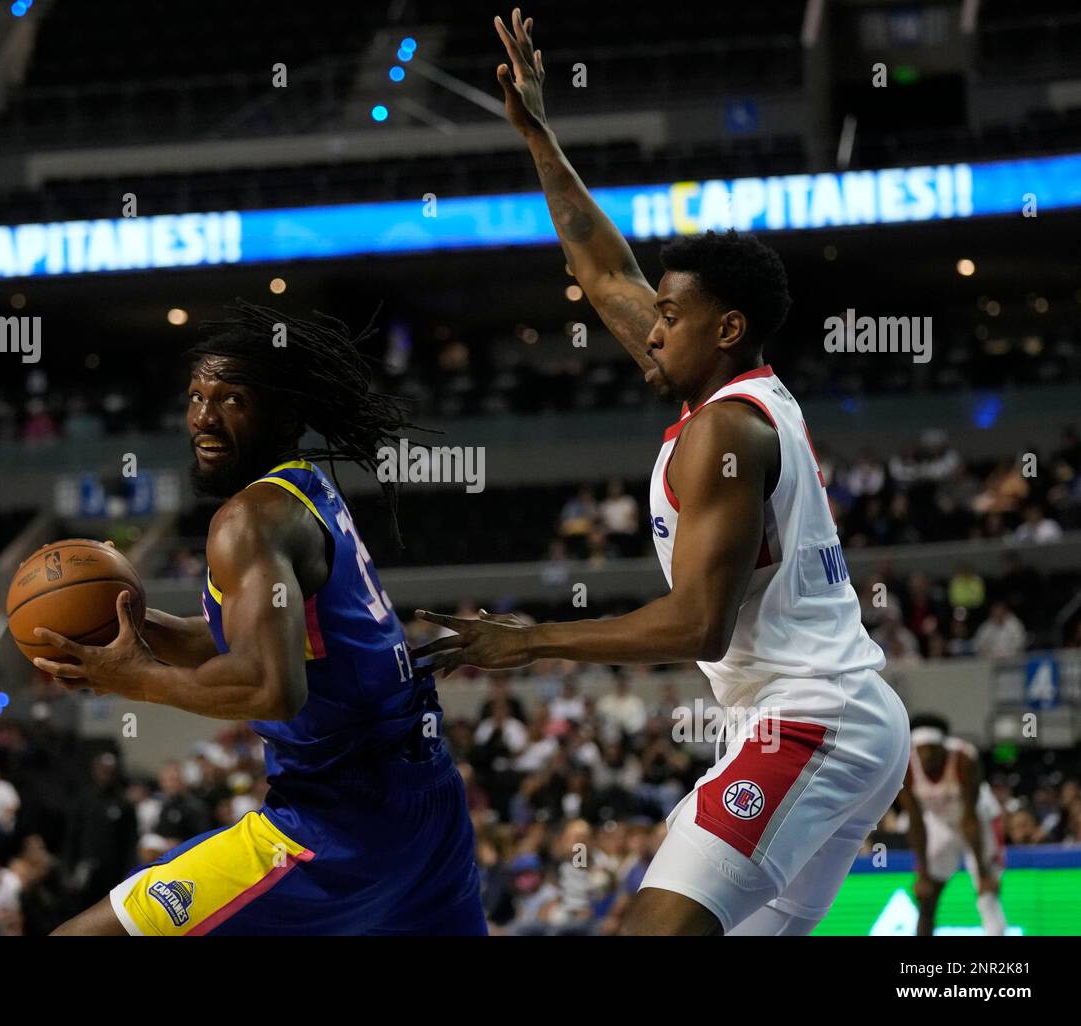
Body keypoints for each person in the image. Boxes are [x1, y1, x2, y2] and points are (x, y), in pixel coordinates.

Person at [413, 9, 909, 937]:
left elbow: (695, 621)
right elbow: (604, 272)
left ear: (725, 330)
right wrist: (540, 136)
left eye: (670, 317)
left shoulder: (727, 430)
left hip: (810, 718)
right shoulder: (733, 389)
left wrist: (532, 642)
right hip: (829, 719)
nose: (650, 327)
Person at [39, 301, 484, 935]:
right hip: (426, 803)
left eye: (231, 399)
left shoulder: (248, 519)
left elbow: (270, 687)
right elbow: (262, 645)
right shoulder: (306, 489)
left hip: (339, 826)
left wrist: (132, 678)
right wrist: (143, 630)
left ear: (286, 413)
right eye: (195, 396)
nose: (203, 418)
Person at [895, 715, 1007, 936]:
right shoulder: (906, 767)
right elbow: (916, 823)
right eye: (922, 751)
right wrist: (923, 873)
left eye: (933, 751)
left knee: (987, 896)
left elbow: (970, 818)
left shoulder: (964, 759)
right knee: (927, 896)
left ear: (943, 748)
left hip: (980, 821)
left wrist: (983, 873)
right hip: (940, 822)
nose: (927, 758)